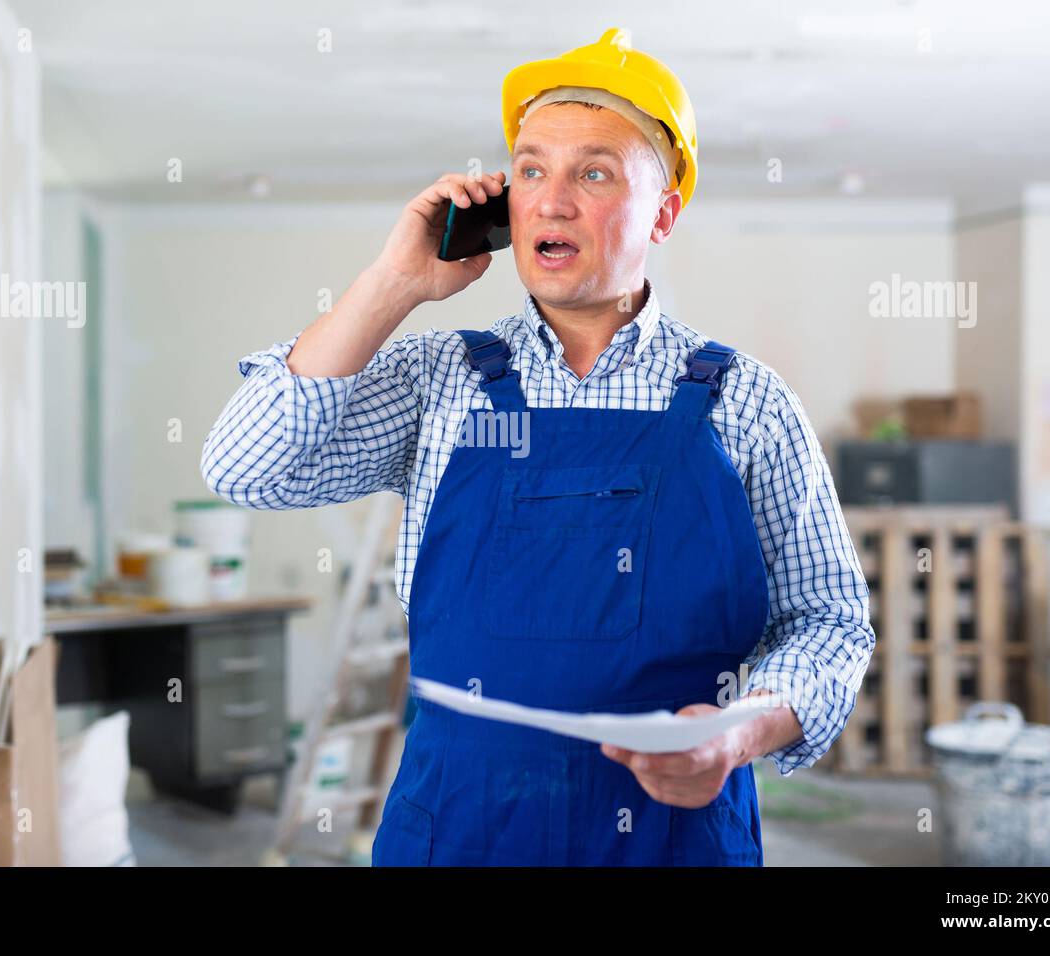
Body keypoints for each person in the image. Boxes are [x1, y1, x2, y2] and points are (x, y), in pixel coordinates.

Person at [201, 27, 874, 866]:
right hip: (459, 831)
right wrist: (394, 285)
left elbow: (831, 623)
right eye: (529, 170)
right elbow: (245, 467)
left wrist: (741, 733)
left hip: (673, 836)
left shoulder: (747, 401)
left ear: (662, 213)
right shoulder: (438, 379)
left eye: (593, 173)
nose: (551, 200)